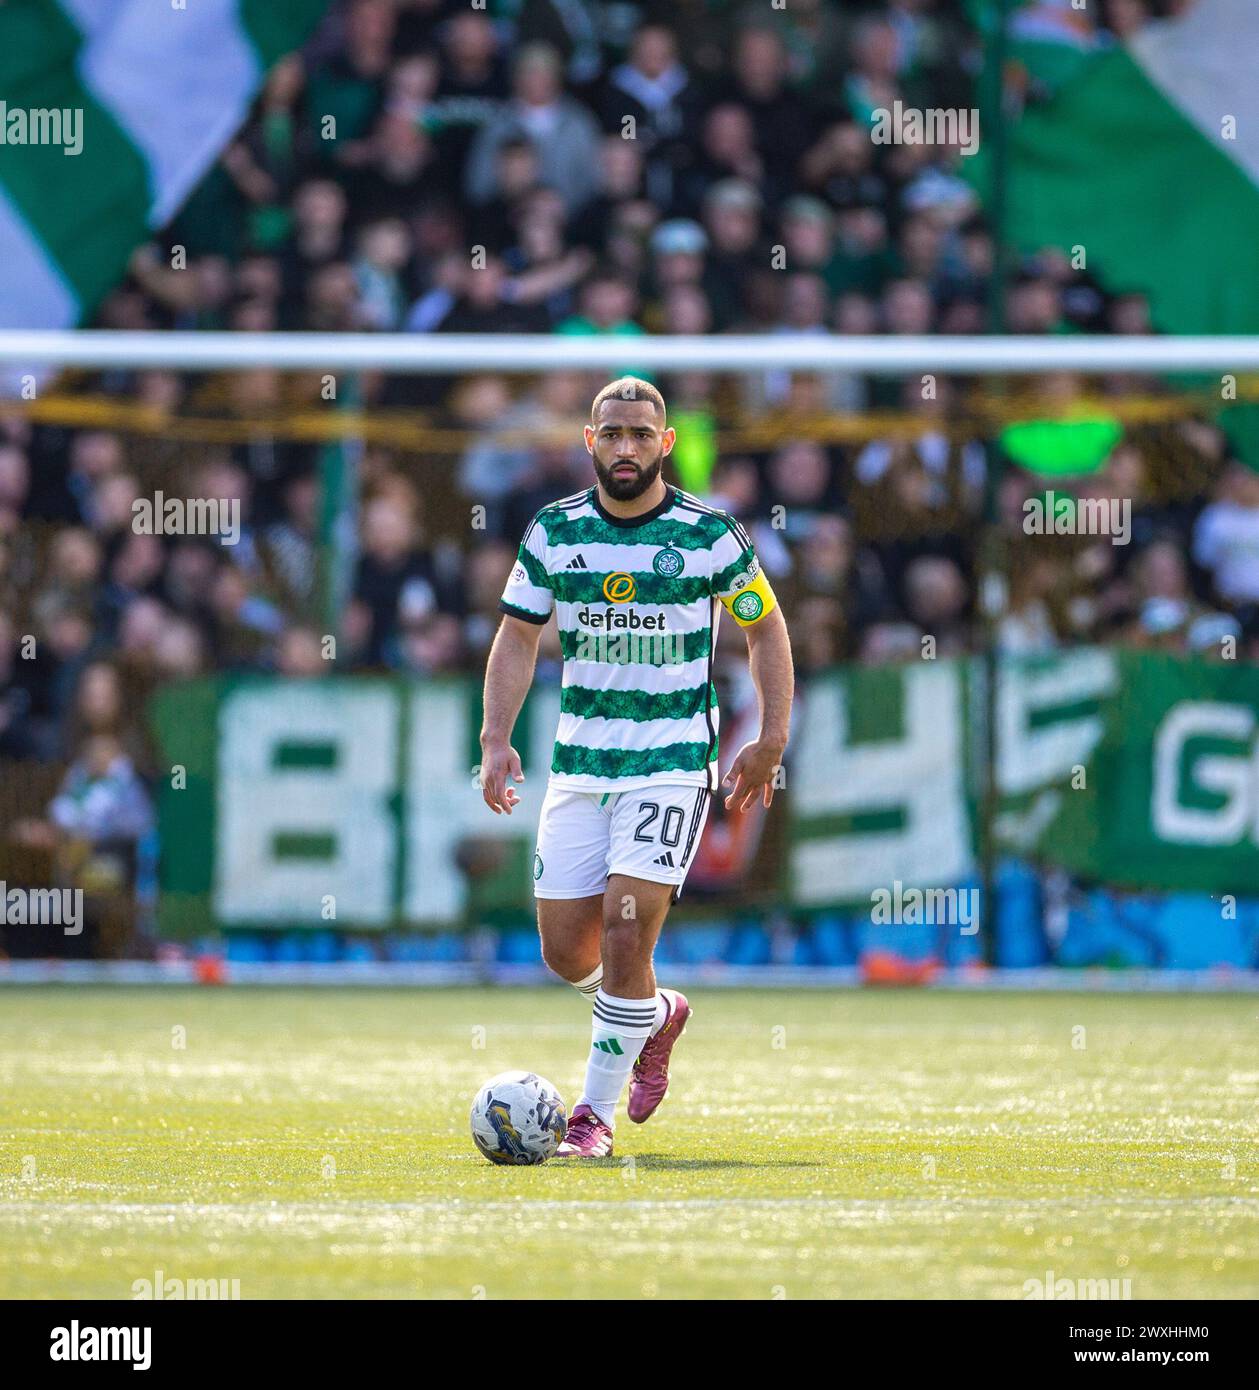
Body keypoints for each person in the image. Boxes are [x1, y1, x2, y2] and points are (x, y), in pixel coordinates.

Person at [479, 377, 794, 1157]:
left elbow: (766, 630)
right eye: (611, 434)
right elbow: (519, 637)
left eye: (640, 435)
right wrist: (495, 736)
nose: (626, 447)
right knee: (564, 951)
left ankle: (590, 1119)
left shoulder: (708, 534)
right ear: (589, 442)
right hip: (580, 764)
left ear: (666, 443)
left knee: (625, 934)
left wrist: (770, 738)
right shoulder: (553, 532)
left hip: (671, 762)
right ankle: (653, 1016)